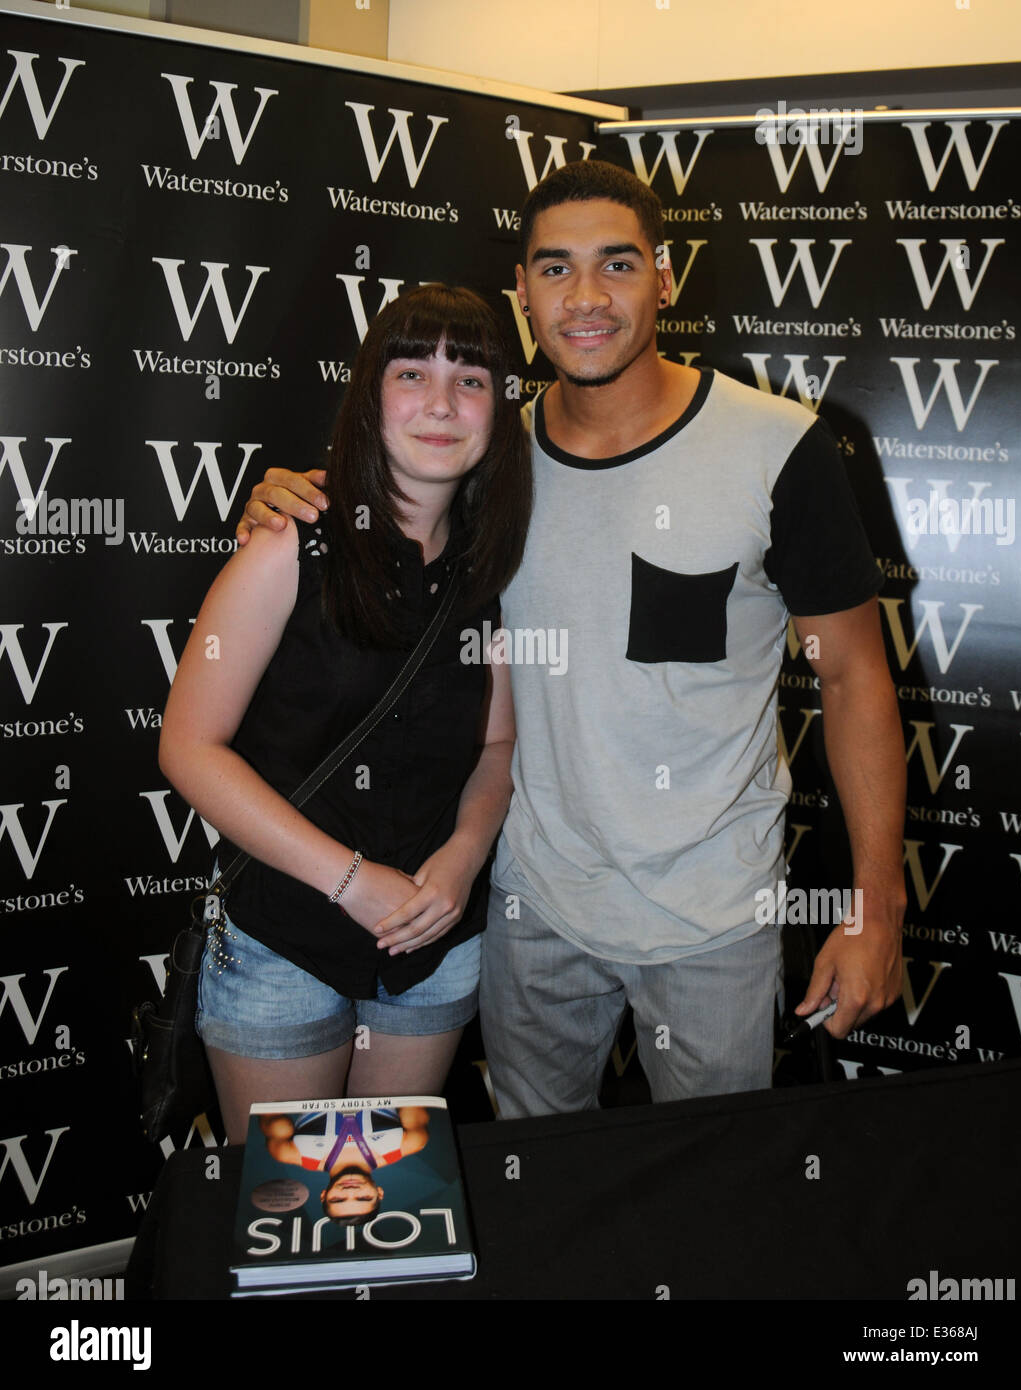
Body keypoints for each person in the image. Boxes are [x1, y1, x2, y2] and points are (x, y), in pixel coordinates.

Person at [237, 161, 906, 1119]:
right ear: (521, 294)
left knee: (710, 1201)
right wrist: (279, 503)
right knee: (540, 1194)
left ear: (665, 277)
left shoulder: (779, 448)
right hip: (530, 909)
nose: (585, 299)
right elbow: (355, 526)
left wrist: (875, 905)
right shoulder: (482, 451)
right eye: (554, 270)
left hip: (713, 921)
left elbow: (852, 679)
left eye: (617, 266)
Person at [159, 284, 531, 1142]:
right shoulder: (293, 538)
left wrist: (462, 861)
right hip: (284, 945)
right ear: (370, 395)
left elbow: (496, 744)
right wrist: (351, 882)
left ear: (498, 410)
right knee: (292, 1223)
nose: (441, 403)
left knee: (387, 1209)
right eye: (412, 373)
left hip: (434, 949)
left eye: (471, 380)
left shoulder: (489, 566)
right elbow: (189, 745)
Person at [259, 1105, 431, 1224]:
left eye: (338, 1199)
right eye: (363, 1197)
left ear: (324, 1195)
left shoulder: (290, 1152)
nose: (350, 1191)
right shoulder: (409, 1143)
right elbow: (412, 1094)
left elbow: (269, 1104)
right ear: (379, 1193)